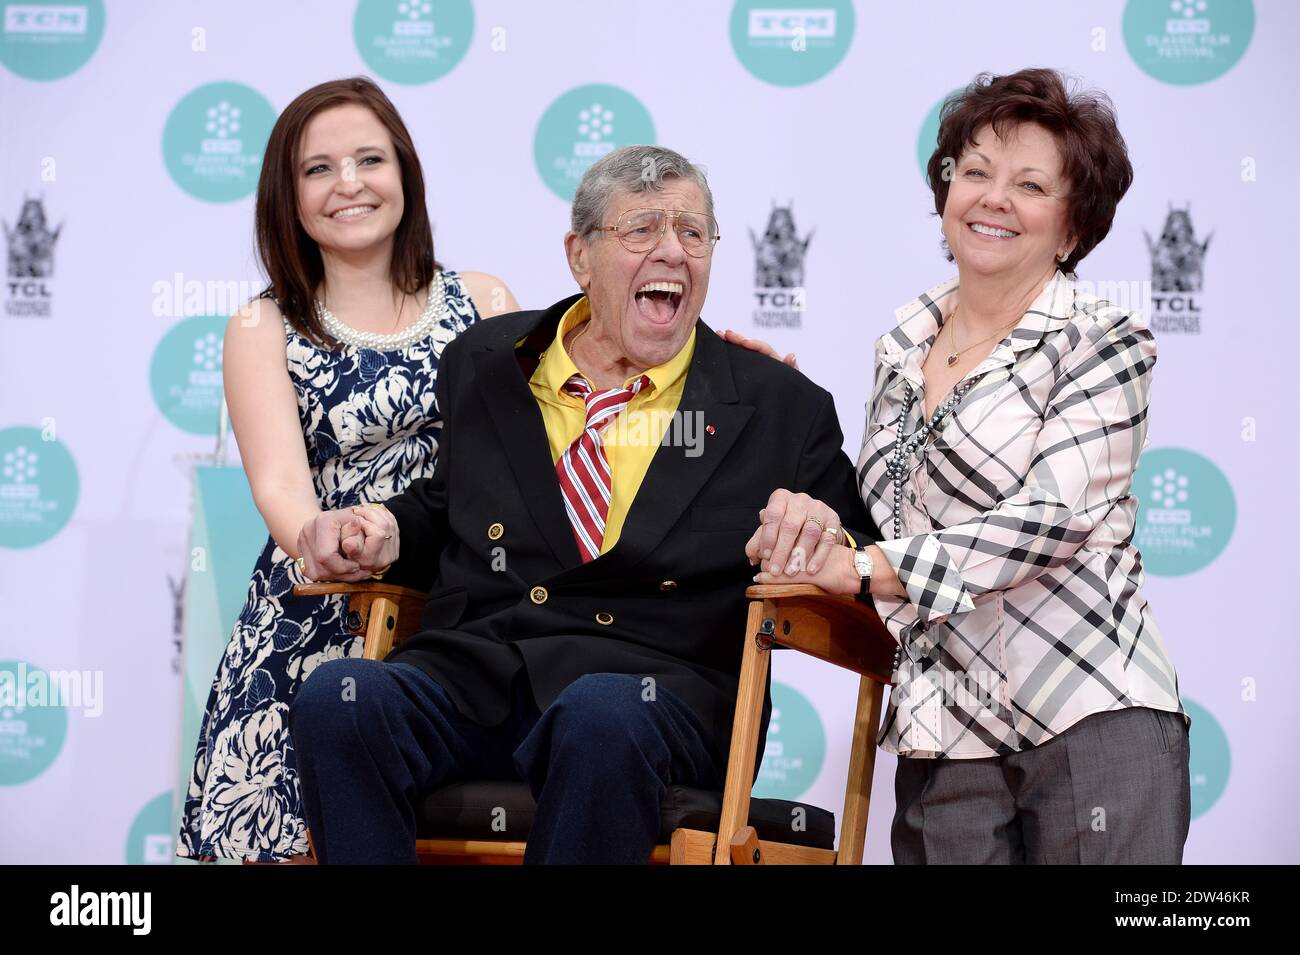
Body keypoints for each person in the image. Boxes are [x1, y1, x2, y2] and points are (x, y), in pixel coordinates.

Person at [287, 144, 876, 864]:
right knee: (338, 698)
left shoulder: (777, 404)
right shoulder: (486, 361)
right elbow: (450, 505)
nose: (673, 251)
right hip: (477, 674)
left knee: (602, 710)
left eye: (693, 233)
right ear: (580, 255)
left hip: (656, 695)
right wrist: (382, 527)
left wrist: (824, 536)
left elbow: (860, 546)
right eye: (641, 231)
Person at [751, 68, 1191, 864]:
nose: (992, 197)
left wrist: (872, 565)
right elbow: (875, 516)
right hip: (942, 725)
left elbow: (1048, 520)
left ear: (1071, 227)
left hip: (1087, 709)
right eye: (975, 171)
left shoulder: (1103, 340)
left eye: (1029, 184)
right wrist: (764, 396)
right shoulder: (903, 343)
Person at [176, 77, 518, 863]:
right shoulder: (264, 324)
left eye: (370, 158)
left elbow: (527, 465)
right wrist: (322, 533)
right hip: (320, 614)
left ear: (405, 171)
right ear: (286, 197)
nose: (351, 183)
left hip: (463, 620)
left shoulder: (486, 300)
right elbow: (281, 489)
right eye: (318, 169)